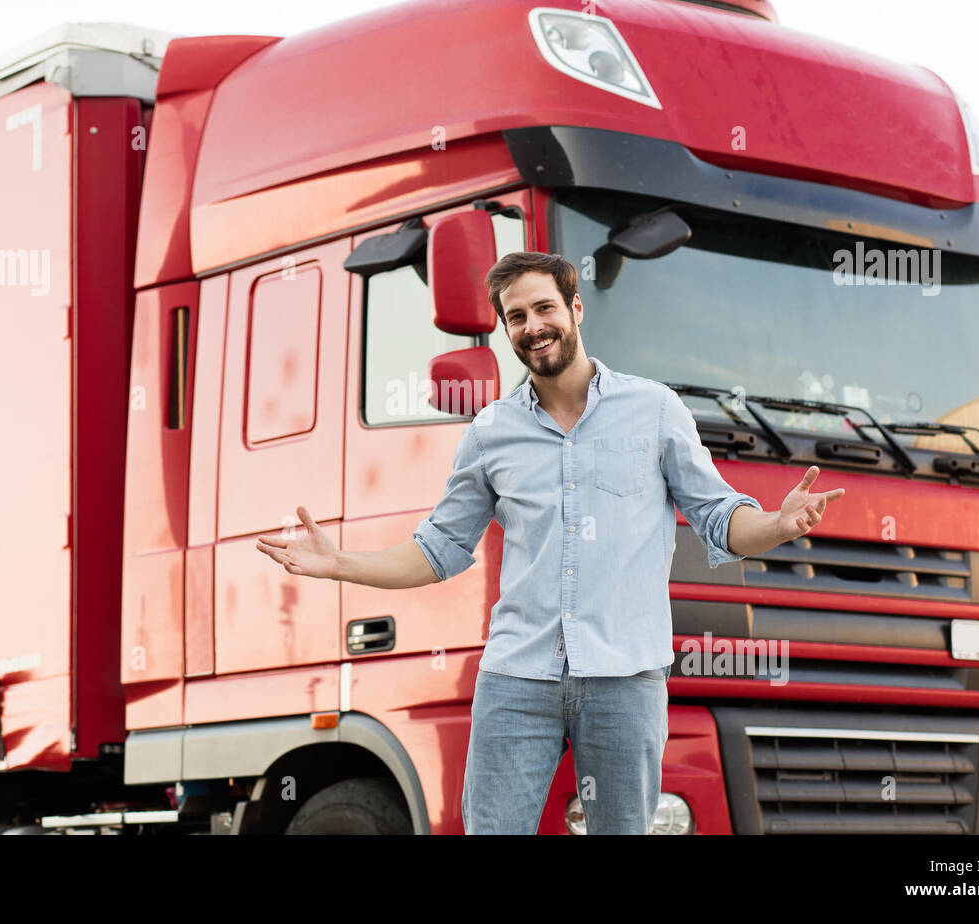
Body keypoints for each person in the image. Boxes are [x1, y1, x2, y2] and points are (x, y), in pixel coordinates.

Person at [256, 251, 844, 834]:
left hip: (626, 677)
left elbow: (717, 516)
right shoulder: (491, 434)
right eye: (516, 317)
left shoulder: (655, 410)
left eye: (544, 308)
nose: (533, 326)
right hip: (516, 681)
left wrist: (777, 524)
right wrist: (338, 564)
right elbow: (436, 551)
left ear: (576, 309)